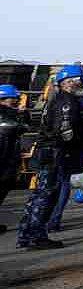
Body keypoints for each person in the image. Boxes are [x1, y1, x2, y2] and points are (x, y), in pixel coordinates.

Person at [16, 64, 83, 249]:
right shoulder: (68, 102)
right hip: (56, 154)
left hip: (48, 152)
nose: (82, 83)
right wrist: (73, 146)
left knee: (39, 195)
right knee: (47, 196)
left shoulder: (56, 99)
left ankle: (26, 233)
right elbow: (65, 131)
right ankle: (36, 236)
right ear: (70, 82)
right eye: (80, 80)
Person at [0, 85, 26, 235]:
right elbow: (18, 127)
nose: (16, 102)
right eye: (13, 99)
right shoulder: (6, 115)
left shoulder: (10, 113)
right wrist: (21, 115)